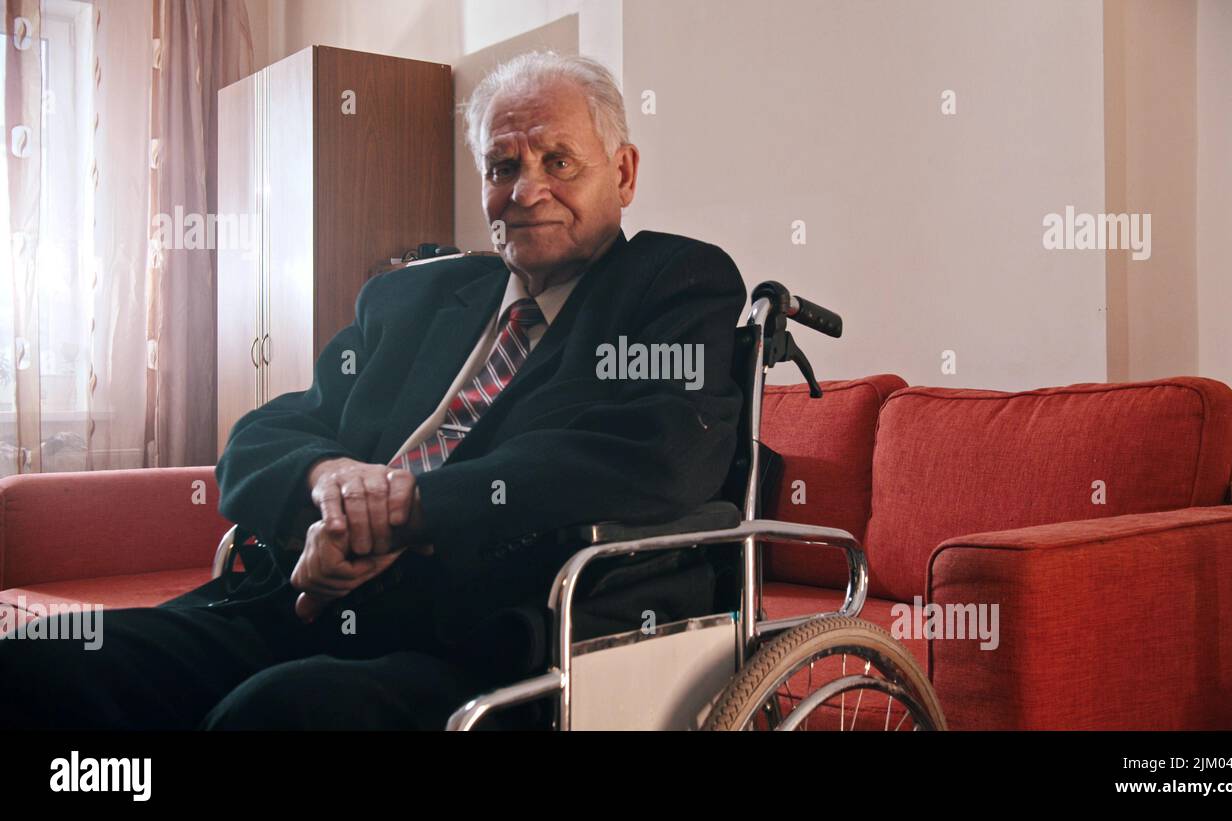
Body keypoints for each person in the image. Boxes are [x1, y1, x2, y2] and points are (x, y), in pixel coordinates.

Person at [0, 50, 745, 730]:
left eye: (559, 160)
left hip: (468, 636)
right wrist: (331, 480)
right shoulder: (415, 298)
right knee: (42, 661)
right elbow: (265, 435)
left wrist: (405, 510)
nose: (525, 191)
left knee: (274, 715)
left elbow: (659, 452)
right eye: (500, 166)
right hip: (290, 599)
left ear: (622, 173)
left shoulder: (673, 285)